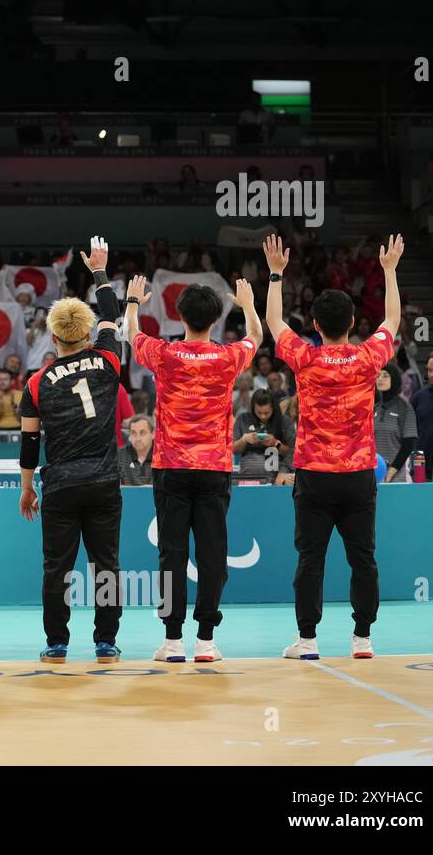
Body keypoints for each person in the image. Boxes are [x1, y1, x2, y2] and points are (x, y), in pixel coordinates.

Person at [264, 233, 404, 660]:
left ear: (316, 325)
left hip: (314, 477)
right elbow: (392, 320)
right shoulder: (367, 357)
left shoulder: (305, 358)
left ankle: (307, 640)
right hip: (359, 476)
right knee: (364, 558)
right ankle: (362, 639)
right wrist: (389, 271)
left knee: (311, 559)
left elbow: (274, 322)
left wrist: (275, 274)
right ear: (353, 323)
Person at [127, 272, 262, 663]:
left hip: (171, 468)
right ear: (216, 320)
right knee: (212, 553)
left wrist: (133, 303)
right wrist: (248, 305)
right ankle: (205, 640)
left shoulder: (165, 354)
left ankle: (172, 640)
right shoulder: (227, 357)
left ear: (180, 316)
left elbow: (132, 334)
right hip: (214, 469)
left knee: (171, 555)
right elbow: (256, 335)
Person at [18, 236, 125, 664]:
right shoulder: (109, 361)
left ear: (53, 336)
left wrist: (27, 487)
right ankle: (105, 642)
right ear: (87, 332)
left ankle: (57, 643)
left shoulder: (36, 382)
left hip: (61, 485)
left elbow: (29, 442)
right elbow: (112, 315)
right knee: (106, 565)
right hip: (103, 481)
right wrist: (99, 271)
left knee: (56, 567)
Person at [233, 388, 295, 482]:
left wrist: (276, 443)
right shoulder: (243, 419)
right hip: (248, 476)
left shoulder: (284, 422)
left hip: (277, 476)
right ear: (253, 408)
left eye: (266, 413)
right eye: (259, 412)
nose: (263, 416)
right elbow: (234, 449)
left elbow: (292, 451)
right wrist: (244, 439)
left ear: (273, 408)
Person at [374, 361, 417, 482]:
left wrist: (392, 470)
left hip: (398, 476)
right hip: (375, 475)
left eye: (385, 376)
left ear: (394, 379)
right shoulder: (374, 408)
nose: (380, 379)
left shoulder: (405, 408)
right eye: (378, 376)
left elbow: (409, 443)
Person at [119, 414, 154, 486]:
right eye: (133, 433)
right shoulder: (119, 456)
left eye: (142, 433)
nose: (138, 439)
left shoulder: (163, 457)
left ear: (153, 434)